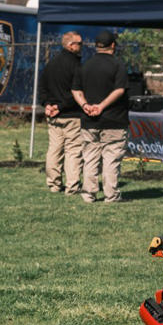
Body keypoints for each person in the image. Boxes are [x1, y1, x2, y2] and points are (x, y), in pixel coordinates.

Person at [71, 30, 129, 203]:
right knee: (111, 159)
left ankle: (88, 194)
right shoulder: (118, 65)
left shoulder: (84, 65)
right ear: (113, 45)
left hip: (89, 121)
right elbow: (120, 89)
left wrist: (85, 106)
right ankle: (111, 195)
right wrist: (101, 106)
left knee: (90, 159)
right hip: (114, 121)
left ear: (96, 46)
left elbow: (75, 89)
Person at [38, 31, 84, 194]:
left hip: (54, 116)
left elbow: (42, 87)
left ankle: (54, 184)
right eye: (79, 43)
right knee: (73, 151)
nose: (81, 46)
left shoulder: (51, 63)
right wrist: (60, 107)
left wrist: (47, 104)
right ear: (71, 45)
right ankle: (72, 187)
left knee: (54, 150)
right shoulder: (76, 65)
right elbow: (77, 92)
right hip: (71, 115)